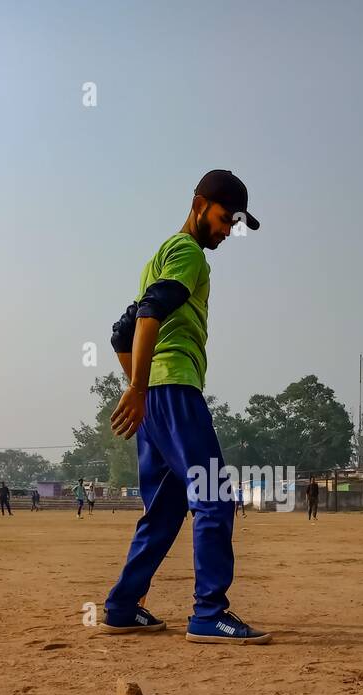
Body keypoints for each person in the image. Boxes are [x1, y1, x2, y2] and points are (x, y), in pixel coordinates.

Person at [100, 168, 269, 644]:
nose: (227, 230)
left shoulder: (158, 256)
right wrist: (139, 386)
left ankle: (121, 607)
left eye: (234, 224)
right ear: (198, 203)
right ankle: (209, 613)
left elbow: (121, 331)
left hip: (156, 396)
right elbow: (151, 311)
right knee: (214, 495)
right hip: (173, 393)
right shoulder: (189, 254)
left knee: (165, 510)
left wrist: (140, 386)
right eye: (223, 218)